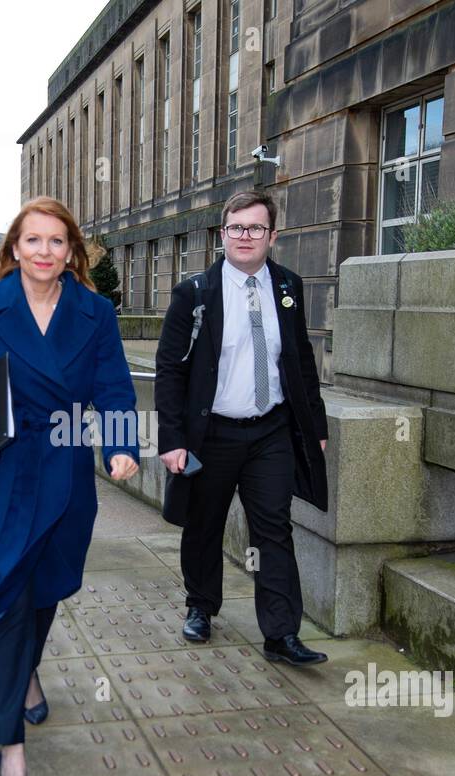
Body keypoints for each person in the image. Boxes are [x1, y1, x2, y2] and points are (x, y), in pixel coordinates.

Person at [0, 197, 140, 776]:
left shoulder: (95, 312)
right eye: (33, 241)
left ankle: (27, 674)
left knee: (45, 593)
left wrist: (122, 445)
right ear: (14, 250)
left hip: (67, 476)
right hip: (4, 475)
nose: (44, 252)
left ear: (71, 250)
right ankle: (10, 747)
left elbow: (115, 386)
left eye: (57, 242)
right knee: (9, 606)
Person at [154, 190, 330, 666]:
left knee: (274, 528)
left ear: (273, 235)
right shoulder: (194, 295)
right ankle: (200, 606)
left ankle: (281, 635)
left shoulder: (288, 288)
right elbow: (170, 369)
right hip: (212, 434)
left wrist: (315, 426)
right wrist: (171, 438)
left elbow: (301, 364)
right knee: (204, 524)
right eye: (236, 227)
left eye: (255, 228)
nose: (245, 236)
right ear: (223, 234)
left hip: (270, 431)